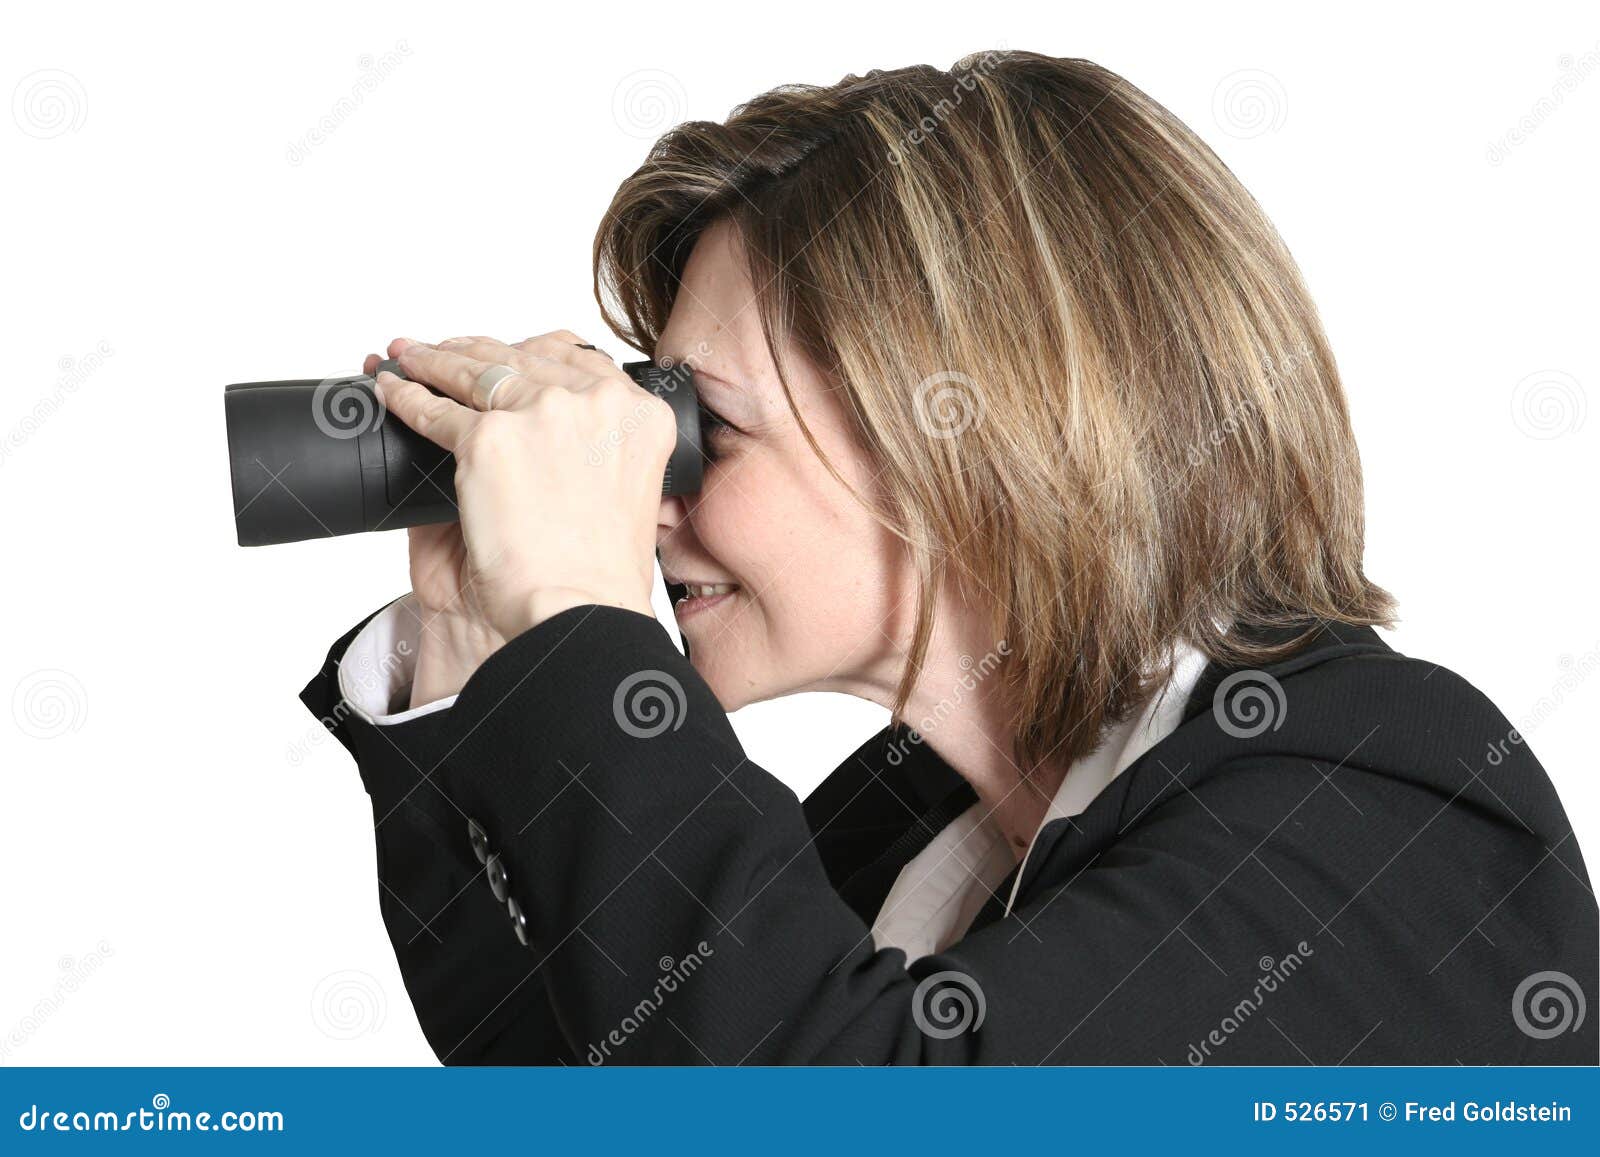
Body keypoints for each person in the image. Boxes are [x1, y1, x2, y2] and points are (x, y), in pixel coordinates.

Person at [299, 50, 1597, 1064]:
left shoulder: (1381, 799)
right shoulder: (906, 837)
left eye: (705, 430)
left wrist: (579, 621)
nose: (645, 508)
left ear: (979, 435)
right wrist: (482, 637)